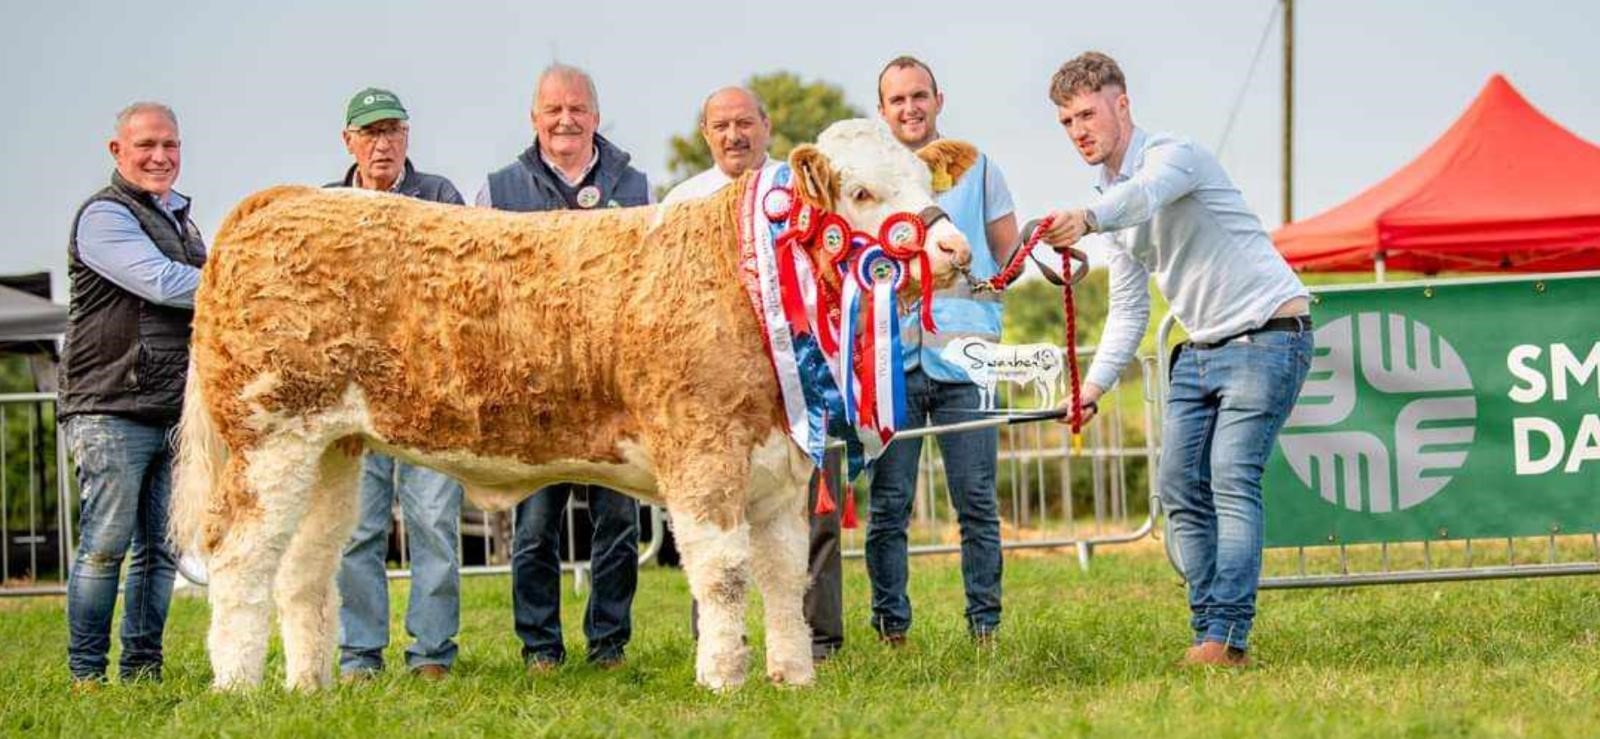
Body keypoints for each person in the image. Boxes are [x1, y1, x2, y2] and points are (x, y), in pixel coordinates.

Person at [1040, 51, 1313, 667]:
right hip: (1199, 348)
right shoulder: (1106, 200)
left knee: (1230, 478)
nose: (1079, 130)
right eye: (1066, 121)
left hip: (1269, 333)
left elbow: (1143, 197)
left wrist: (1085, 218)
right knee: (1176, 488)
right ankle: (1207, 629)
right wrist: (1093, 385)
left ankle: (1225, 638)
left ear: (1122, 104)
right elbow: (1130, 309)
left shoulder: (1174, 156)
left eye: (1087, 113)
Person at [476, 63, 650, 670]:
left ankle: (608, 643)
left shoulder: (635, 186)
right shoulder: (499, 189)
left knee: (618, 524)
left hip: (613, 388)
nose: (565, 119)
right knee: (534, 528)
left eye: (576, 108)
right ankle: (540, 647)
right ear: (534, 118)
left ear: (596, 116)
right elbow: (479, 288)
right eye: (553, 109)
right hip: (536, 387)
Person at [662, 86, 844, 661]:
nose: (733, 135)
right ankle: (717, 637)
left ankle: (814, 640)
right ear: (705, 133)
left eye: (745, 122)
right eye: (721, 125)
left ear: (767, 126)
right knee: (712, 510)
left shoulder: (800, 194)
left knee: (805, 512)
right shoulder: (681, 201)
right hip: (709, 388)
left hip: (792, 380)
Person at [866, 56, 1018, 645]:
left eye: (919, 96)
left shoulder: (979, 170)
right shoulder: (870, 182)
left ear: (939, 99)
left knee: (976, 501)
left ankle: (985, 625)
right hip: (891, 363)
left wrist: (991, 269)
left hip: (966, 359)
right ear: (882, 110)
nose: (910, 108)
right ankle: (890, 627)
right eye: (898, 99)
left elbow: (1008, 262)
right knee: (889, 504)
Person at [61, 102, 206, 686]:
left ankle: (143, 669)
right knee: (104, 545)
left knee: (160, 551)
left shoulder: (184, 223)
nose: (160, 156)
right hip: (110, 405)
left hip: (171, 410)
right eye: (146, 145)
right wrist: (245, 276)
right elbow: (164, 283)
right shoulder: (104, 216)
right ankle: (87, 674)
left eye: (169, 145)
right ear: (117, 151)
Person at [327, 87, 468, 682]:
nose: (382, 143)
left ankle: (432, 653)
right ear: (349, 141)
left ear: (407, 136)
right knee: (358, 528)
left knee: (434, 523)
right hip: (354, 396)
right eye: (370, 132)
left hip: (430, 392)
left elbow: (466, 287)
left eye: (392, 131)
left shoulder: (439, 197)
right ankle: (360, 653)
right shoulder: (326, 206)